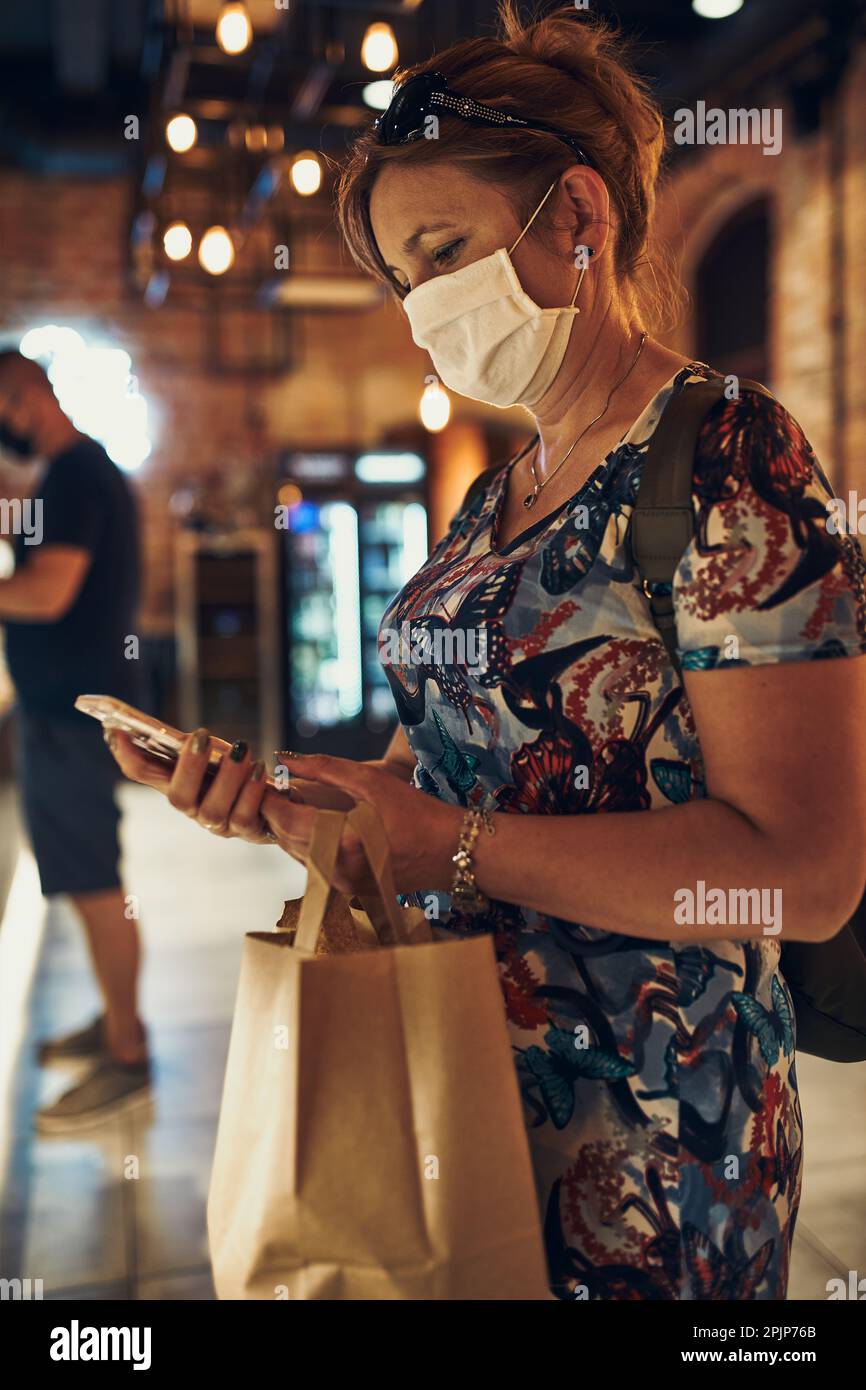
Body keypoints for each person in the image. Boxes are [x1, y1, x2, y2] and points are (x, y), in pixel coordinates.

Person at [106, 4, 866, 1300]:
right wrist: (306, 806)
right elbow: (447, 764)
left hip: (645, 1138)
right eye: (403, 277)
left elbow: (798, 880)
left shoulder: (727, 451)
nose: (421, 311)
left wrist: (446, 843)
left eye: (443, 250)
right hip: (445, 1079)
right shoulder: (495, 493)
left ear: (576, 214)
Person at [0, 349, 150, 1131]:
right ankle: (115, 1020)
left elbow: (47, 593)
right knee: (90, 880)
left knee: (95, 884)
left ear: (24, 399)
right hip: (68, 712)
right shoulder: (73, 478)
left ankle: (127, 1055)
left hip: (72, 715)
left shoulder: (75, 478)